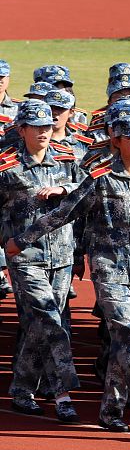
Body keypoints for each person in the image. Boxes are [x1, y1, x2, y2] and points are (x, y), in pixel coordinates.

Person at [8, 115, 130, 433]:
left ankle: (111, 411)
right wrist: (23, 239)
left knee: (125, 341)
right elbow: (65, 211)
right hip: (110, 270)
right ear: (117, 141)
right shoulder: (102, 178)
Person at [0, 100, 82, 423]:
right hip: (25, 256)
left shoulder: (66, 158)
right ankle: (63, 394)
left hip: (61, 254)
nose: (44, 132)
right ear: (22, 130)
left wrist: (64, 188)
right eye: (36, 127)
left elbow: (87, 189)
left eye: (47, 126)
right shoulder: (6, 166)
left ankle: (22, 389)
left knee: (39, 324)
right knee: (50, 320)